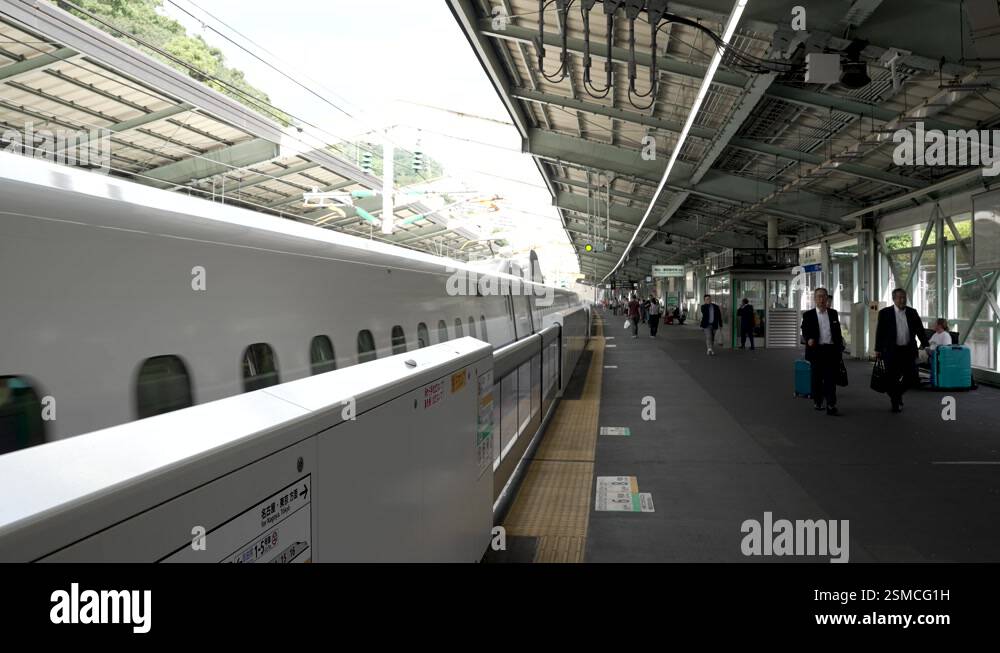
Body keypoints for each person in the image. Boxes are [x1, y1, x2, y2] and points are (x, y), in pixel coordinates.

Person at [875, 288, 930, 413]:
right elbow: (880, 332)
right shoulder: (885, 313)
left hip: (908, 351)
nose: (902, 300)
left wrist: (925, 345)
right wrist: (878, 348)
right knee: (891, 378)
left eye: (904, 297)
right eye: (899, 297)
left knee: (912, 377)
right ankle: (896, 401)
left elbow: (920, 330)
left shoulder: (912, 312)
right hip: (891, 351)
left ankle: (897, 394)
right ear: (894, 299)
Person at [800, 288, 844, 416]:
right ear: (815, 299)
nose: (822, 299)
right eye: (819, 297)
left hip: (831, 351)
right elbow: (805, 329)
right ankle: (818, 400)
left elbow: (837, 332)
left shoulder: (833, 313)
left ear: (827, 299)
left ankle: (831, 404)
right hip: (816, 350)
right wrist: (808, 339)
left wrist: (839, 346)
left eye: (824, 297)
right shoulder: (808, 315)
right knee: (817, 378)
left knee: (830, 379)